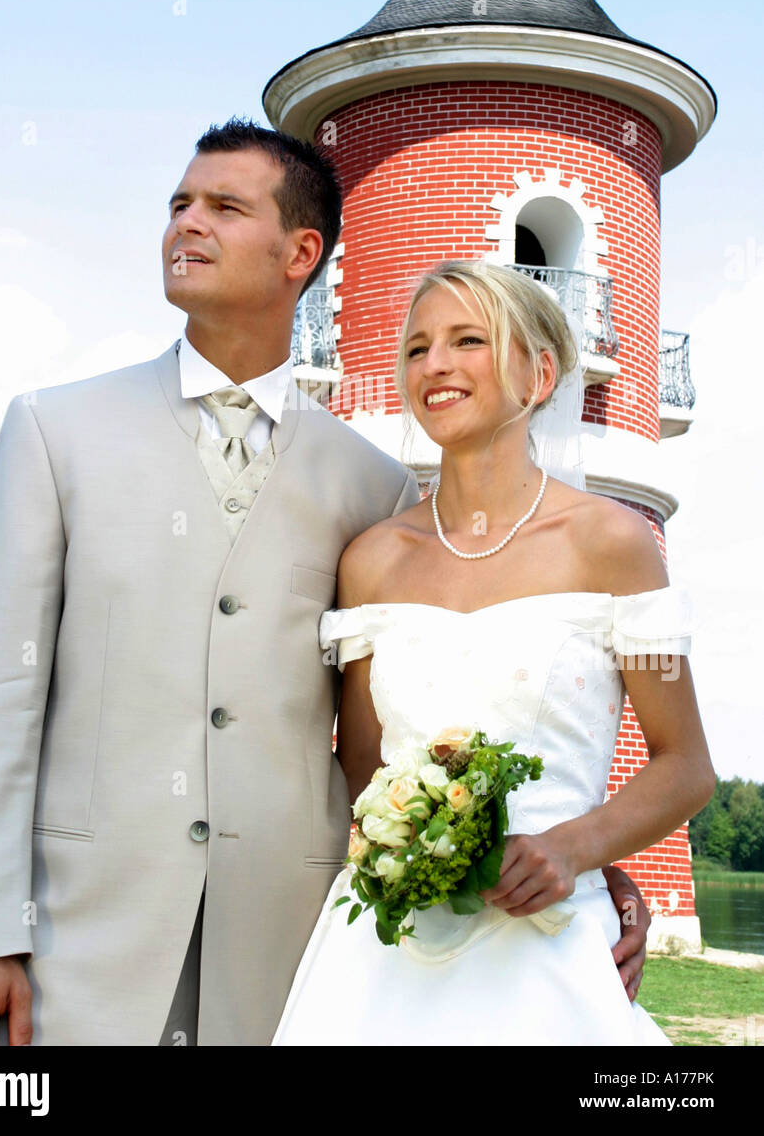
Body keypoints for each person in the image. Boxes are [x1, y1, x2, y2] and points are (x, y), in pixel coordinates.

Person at [0, 125, 653, 1046]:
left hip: (296, 953)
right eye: (179, 205)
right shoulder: (53, 433)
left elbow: (403, 739)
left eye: (224, 208)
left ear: (301, 254)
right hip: (79, 950)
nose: (186, 225)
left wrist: (587, 864)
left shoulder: (370, 486)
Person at [273, 259, 715, 1046]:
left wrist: (581, 851)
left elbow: (685, 766)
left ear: (540, 372)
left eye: (467, 340)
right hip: (389, 964)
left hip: (549, 953)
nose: (434, 365)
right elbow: (362, 770)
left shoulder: (612, 544)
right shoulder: (370, 560)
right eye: (415, 348)